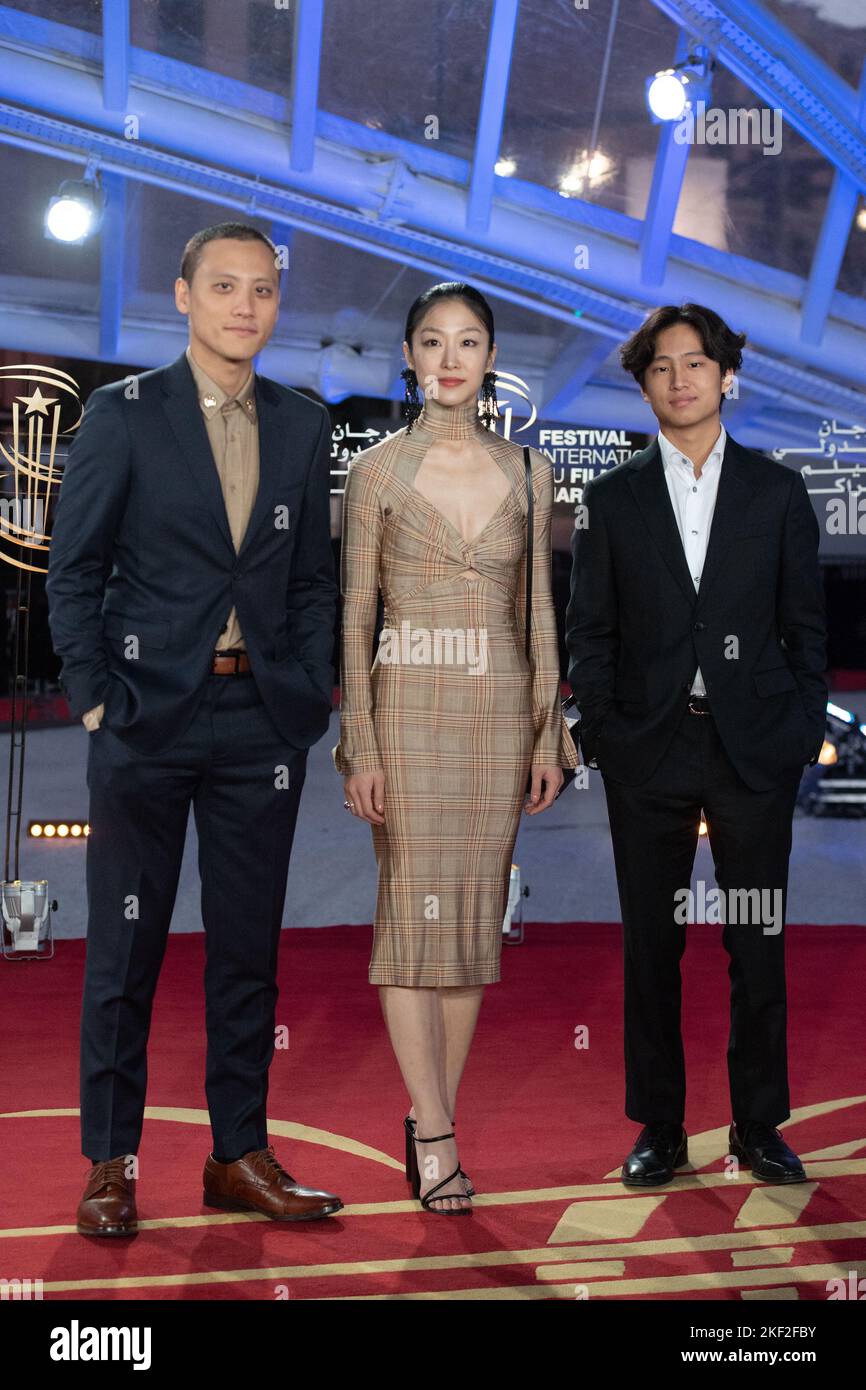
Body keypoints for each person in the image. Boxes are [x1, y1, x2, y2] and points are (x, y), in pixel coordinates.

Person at [47, 222, 343, 1235]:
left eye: (261, 289)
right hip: (142, 719)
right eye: (223, 286)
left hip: (258, 722)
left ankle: (237, 1153)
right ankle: (110, 1162)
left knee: (246, 948)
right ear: (181, 296)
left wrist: (302, 691)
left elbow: (311, 585)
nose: (244, 306)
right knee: (124, 949)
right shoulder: (121, 414)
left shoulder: (304, 427)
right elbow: (72, 569)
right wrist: (93, 697)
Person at [565, 302, 828, 1188]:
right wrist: (604, 734)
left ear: (725, 376)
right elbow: (589, 635)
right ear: (644, 387)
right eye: (662, 367)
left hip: (754, 750)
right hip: (650, 751)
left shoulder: (777, 492)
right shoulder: (610, 499)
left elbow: (805, 631)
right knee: (653, 947)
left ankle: (759, 1126)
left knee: (757, 943)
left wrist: (795, 732)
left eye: (696, 363)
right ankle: (662, 1130)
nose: (680, 378)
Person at [333, 283, 578, 1212]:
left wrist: (547, 728)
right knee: (408, 921)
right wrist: (361, 742)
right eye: (432, 341)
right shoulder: (378, 474)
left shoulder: (528, 471)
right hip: (406, 705)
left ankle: (432, 1110)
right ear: (407, 354)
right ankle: (435, 1133)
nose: (449, 357)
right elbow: (357, 616)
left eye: (468, 342)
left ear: (488, 359)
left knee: (473, 926)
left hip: (496, 715)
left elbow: (538, 612)